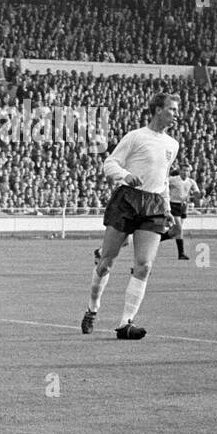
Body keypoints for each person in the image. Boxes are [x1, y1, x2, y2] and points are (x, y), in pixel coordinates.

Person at [82, 92, 180, 340]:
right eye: (172, 109)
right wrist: (124, 175)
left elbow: (164, 179)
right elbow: (109, 164)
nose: (176, 114)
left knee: (144, 265)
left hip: (154, 204)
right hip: (127, 199)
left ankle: (126, 323)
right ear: (158, 110)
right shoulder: (136, 137)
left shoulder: (172, 144)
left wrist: (167, 208)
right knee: (106, 263)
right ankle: (93, 309)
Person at [166, 162, 202, 260]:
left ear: (190, 172)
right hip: (173, 205)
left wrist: (198, 194)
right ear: (180, 171)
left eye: (187, 171)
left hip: (183, 206)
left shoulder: (191, 182)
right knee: (179, 229)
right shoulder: (173, 180)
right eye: (184, 170)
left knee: (175, 231)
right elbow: (164, 185)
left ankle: (159, 238)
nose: (185, 173)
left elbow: (196, 192)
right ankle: (181, 254)